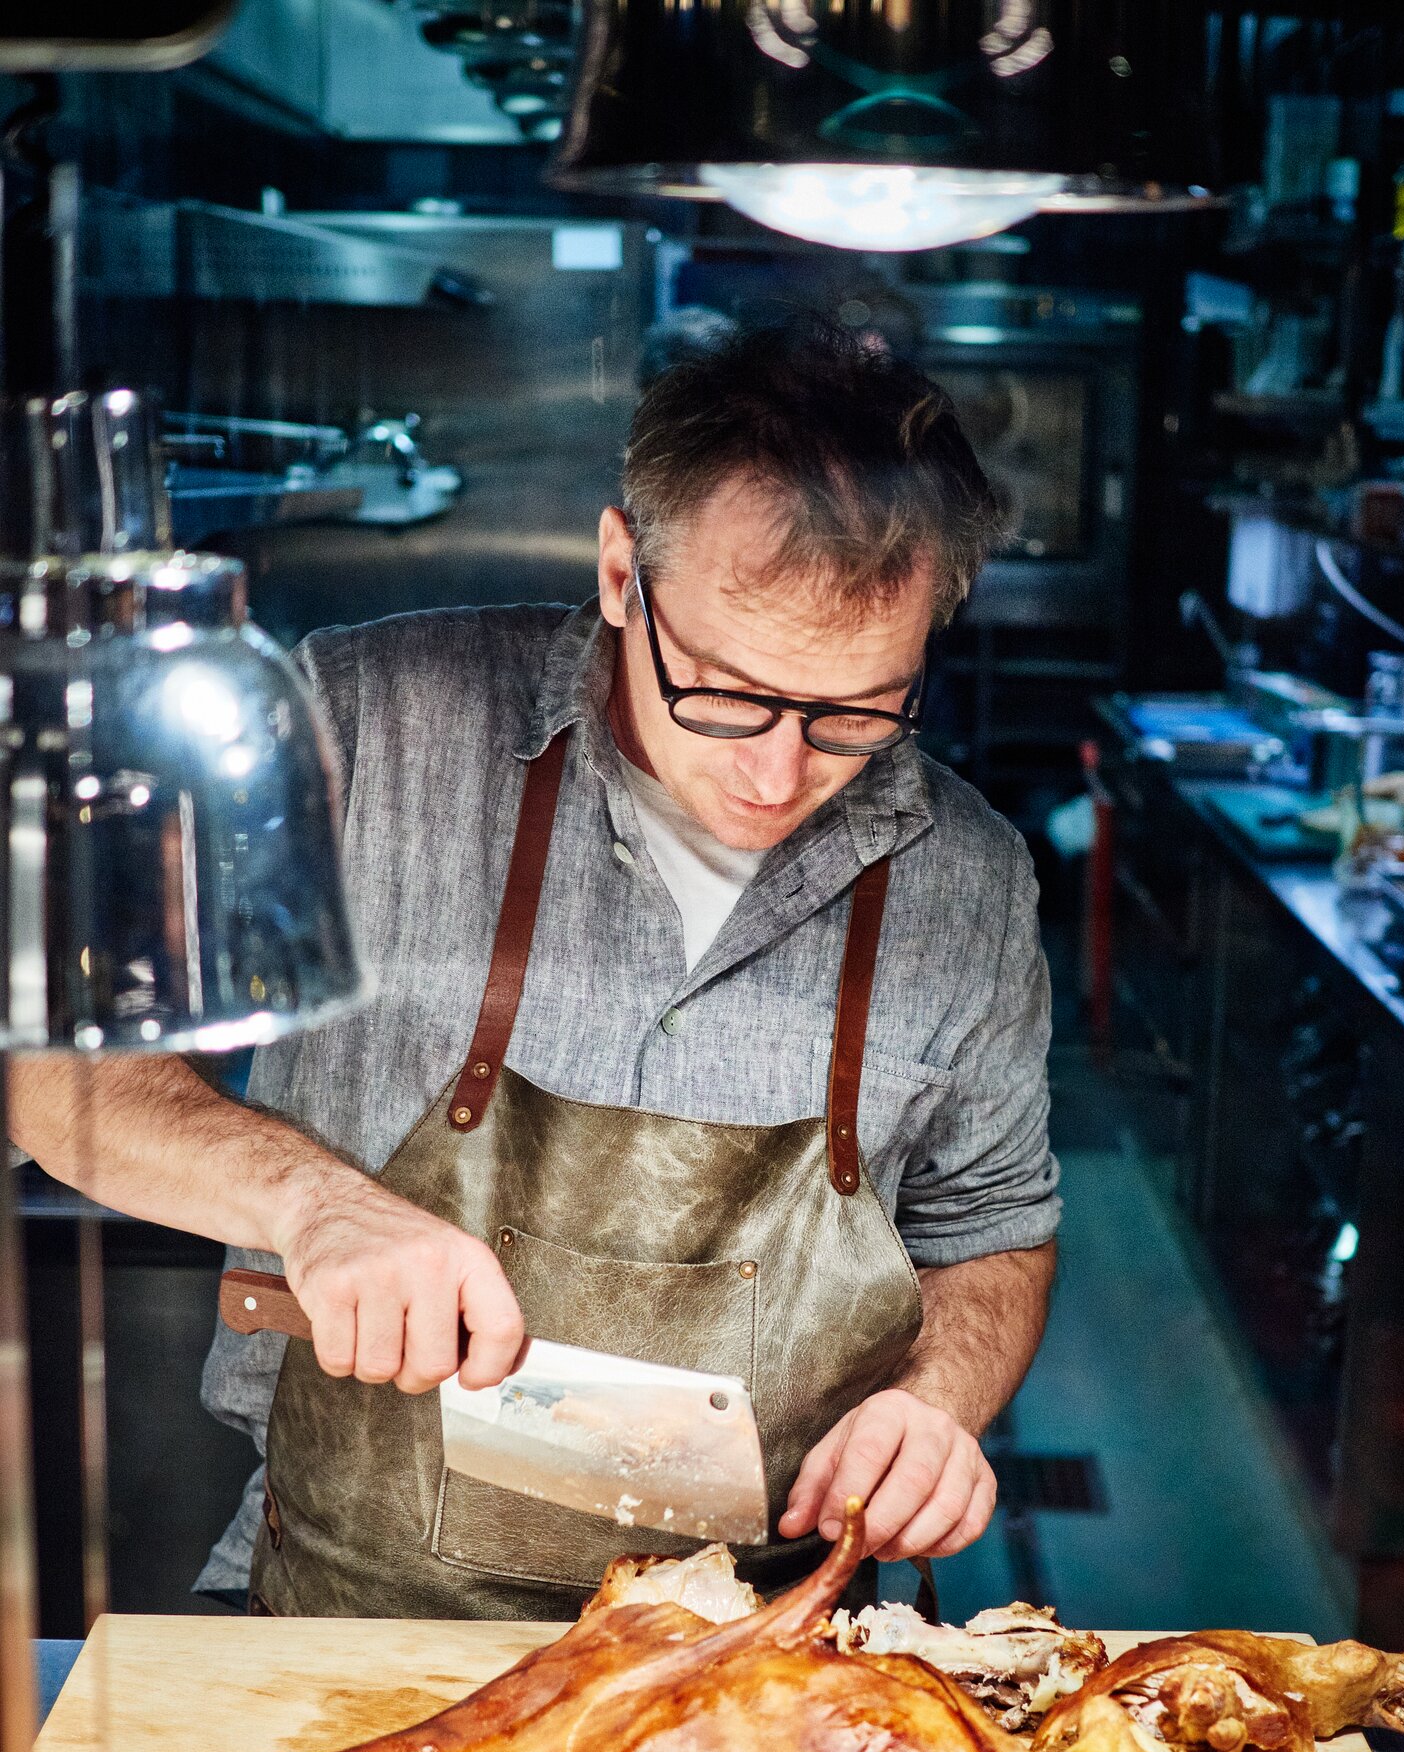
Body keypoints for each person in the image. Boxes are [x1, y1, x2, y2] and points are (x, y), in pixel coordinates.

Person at [11, 320, 1060, 1620]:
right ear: (623, 572)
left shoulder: (969, 881)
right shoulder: (359, 728)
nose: (780, 773)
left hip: (763, 1659)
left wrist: (936, 1404)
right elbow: (51, 1065)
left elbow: (993, 1229)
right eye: (727, 695)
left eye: (855, 712)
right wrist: (312, 1203)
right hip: (345, 1617)